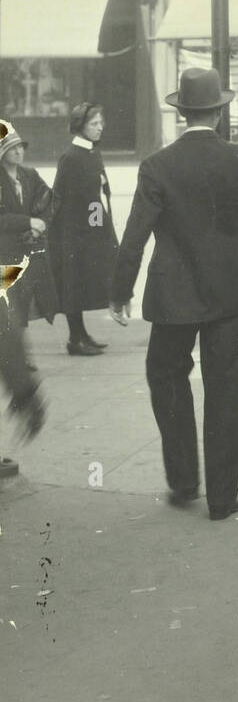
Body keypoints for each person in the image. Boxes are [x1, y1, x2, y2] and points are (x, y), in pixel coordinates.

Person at [108, 70, 238, 521]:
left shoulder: (157, 166)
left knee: (166, 375)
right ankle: (223, 498)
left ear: (181, 113)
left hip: (175, 296)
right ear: (220, 110)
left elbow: (134, 237)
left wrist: (119, 291)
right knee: (226, 383)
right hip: (229, 295)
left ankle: (185, 479)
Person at [48, 103, 118, 356]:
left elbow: (95, 197)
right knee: (73, 284)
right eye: (94, 124)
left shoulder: (91, 153)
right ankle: (75, 339)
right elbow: (60, 196)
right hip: (72, 232)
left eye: (101, 123)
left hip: (89, 228)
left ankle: (81, 334)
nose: (100, 128)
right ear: (80, 127)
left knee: (82, 282)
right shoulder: (71, 157)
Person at [0, 121, 48, 476]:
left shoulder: (28, 176)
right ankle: (26, 396)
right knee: (8, 333)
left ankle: (25, 396)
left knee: (10, 331)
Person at [0, 123, 58, 343]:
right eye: (12, 148)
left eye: (21, 147)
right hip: (5, 252)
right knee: (8, 305)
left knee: (23, 305)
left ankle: (19, 356)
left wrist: (41, 223)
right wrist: (28, 221)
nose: (18, 152)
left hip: (28, 250)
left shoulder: (30, 175)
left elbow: (48, 201)